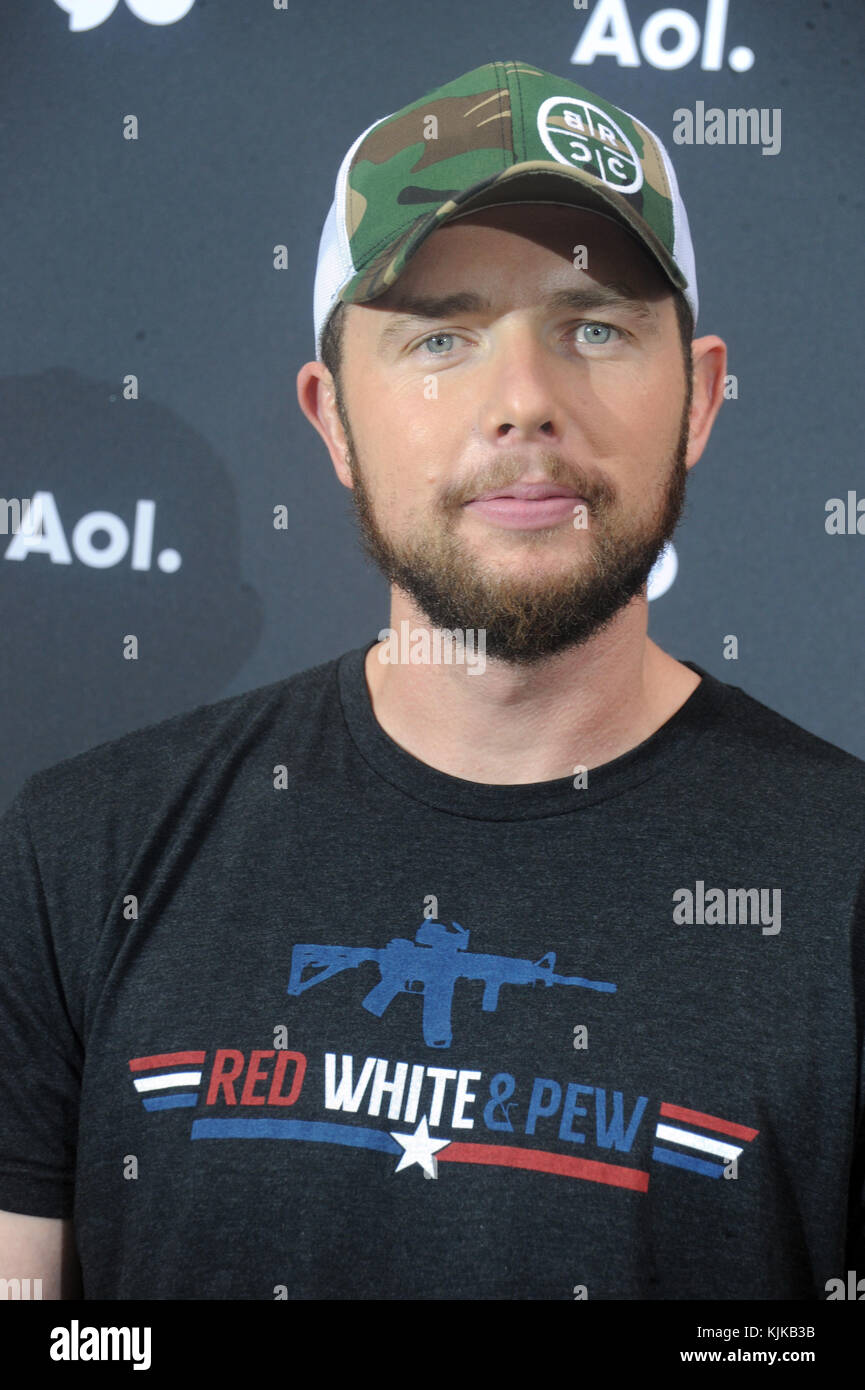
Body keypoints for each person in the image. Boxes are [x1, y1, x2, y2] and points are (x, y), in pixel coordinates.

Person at [0, 57, 862, 1303]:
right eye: (441, 335)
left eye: (596, 327)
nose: (523, 402)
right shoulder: (83, 852)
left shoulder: (842, 887)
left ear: (702, 400)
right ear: (332, 419)